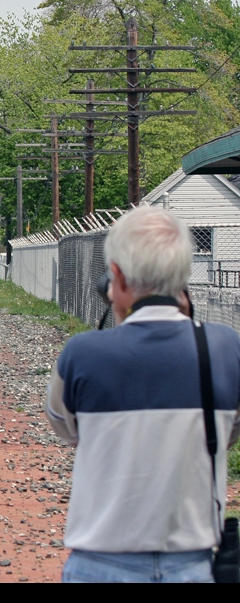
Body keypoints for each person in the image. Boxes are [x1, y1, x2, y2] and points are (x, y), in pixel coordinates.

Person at [46, 206, 240, 583]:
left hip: (100, 564)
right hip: (193, 565)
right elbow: (228, 435)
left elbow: (66, 429)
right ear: (183, 279)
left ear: (115, 275)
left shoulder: (83, 354)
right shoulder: (227, 350)